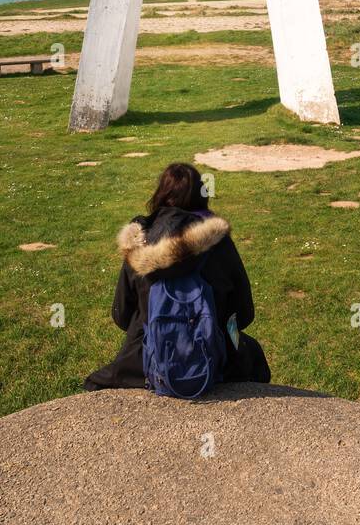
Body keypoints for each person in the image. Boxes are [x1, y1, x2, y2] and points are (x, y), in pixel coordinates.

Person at [84, 162, 270, 392]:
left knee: (96, 382)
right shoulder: (218, 241)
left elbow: (121, 315)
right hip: (214, 355)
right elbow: (244, 312)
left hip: (145, 361)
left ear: (160, 194)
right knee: (255, 359)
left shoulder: (138, 245)